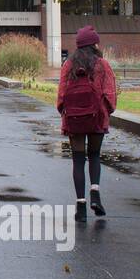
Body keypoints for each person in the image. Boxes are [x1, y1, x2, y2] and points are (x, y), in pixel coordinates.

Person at [56, 26, 117, 222]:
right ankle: (95, 194)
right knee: (95, 155)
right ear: (94, 44)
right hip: (97, 117)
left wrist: (66, 111)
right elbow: (110, 93)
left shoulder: (68, 65)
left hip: (74, 119)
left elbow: (61, 95)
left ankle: (80, 206)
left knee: (78, 160)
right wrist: (106, 111)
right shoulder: (102, 64)